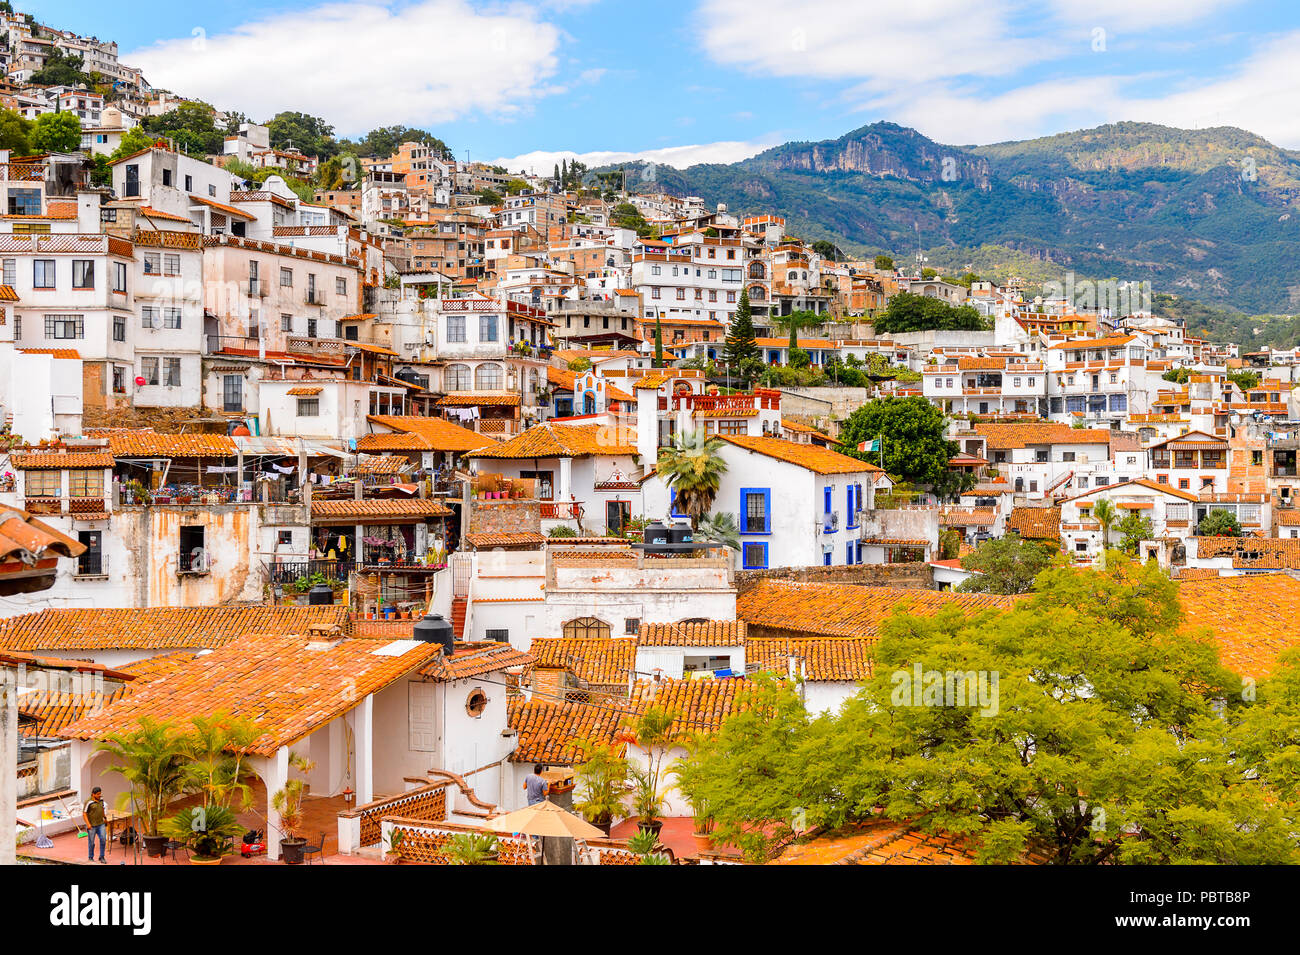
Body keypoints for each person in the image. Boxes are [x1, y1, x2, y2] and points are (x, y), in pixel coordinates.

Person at [83, 786, 107, 863]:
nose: (99, 795)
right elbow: (84, 813)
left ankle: (102, 856)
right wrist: (88, 824)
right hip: (92, 826)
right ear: (93, 794)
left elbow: (102, 808)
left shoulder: (101, 799)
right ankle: (90, 857)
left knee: (103, 839)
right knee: (92, 842)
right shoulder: (88, 802)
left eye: (100, 793)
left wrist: (104, 817)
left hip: (101, 824)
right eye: (98, 794)